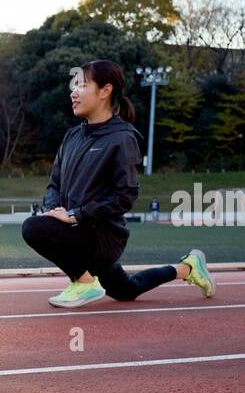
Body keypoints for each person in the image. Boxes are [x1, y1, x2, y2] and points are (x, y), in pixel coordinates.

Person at [20, 59, 215, 309]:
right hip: (75, 232)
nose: (73, 92)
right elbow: (54, 184)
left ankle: (84, 283)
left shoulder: (122, 138)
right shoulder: (72, 136)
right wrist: (53, 211)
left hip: (102, 237)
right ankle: (188, 268)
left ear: (105, 91)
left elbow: (125, 196)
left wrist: (74, 215)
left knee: (32, 228)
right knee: (126, 290)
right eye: (73, 86)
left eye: (81, 85)